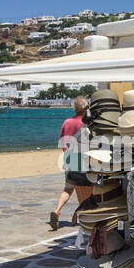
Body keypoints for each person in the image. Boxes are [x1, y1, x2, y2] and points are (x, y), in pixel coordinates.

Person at [50, 96, 88, 231]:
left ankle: (57, 210)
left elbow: (62, 142)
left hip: (69, 159)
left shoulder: (66, 122)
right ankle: (82, 216)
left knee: (68, 188)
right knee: (86, 189)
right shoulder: (85, 124)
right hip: (82, 159)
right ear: (85, 108)